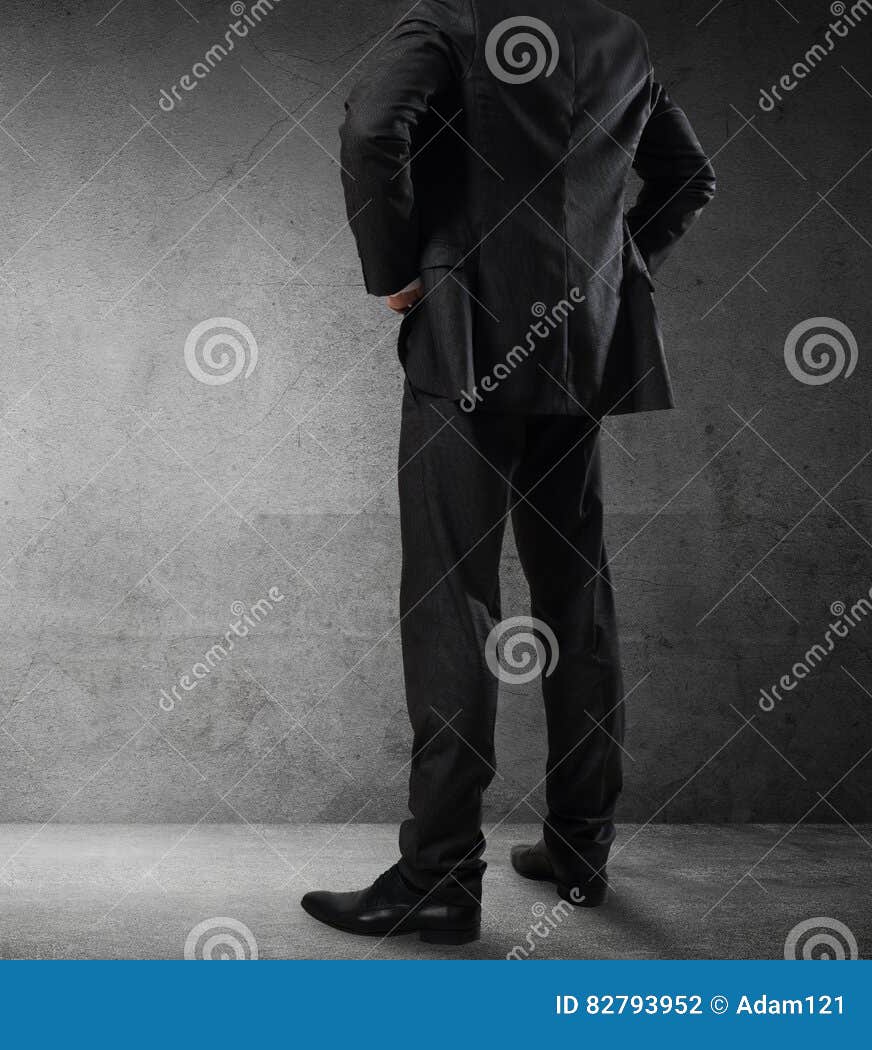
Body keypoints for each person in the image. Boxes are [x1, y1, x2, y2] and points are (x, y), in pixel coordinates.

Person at [301, 0, 716, 944]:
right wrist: (610, 269)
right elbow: (689, 176)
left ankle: (441, 877)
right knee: (577, 593)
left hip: (468, 340)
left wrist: (395, 270)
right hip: (580, 347)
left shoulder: (451, 16)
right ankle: (581, 847)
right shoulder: (617, 34)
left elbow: (371, 131)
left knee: (454, 600)